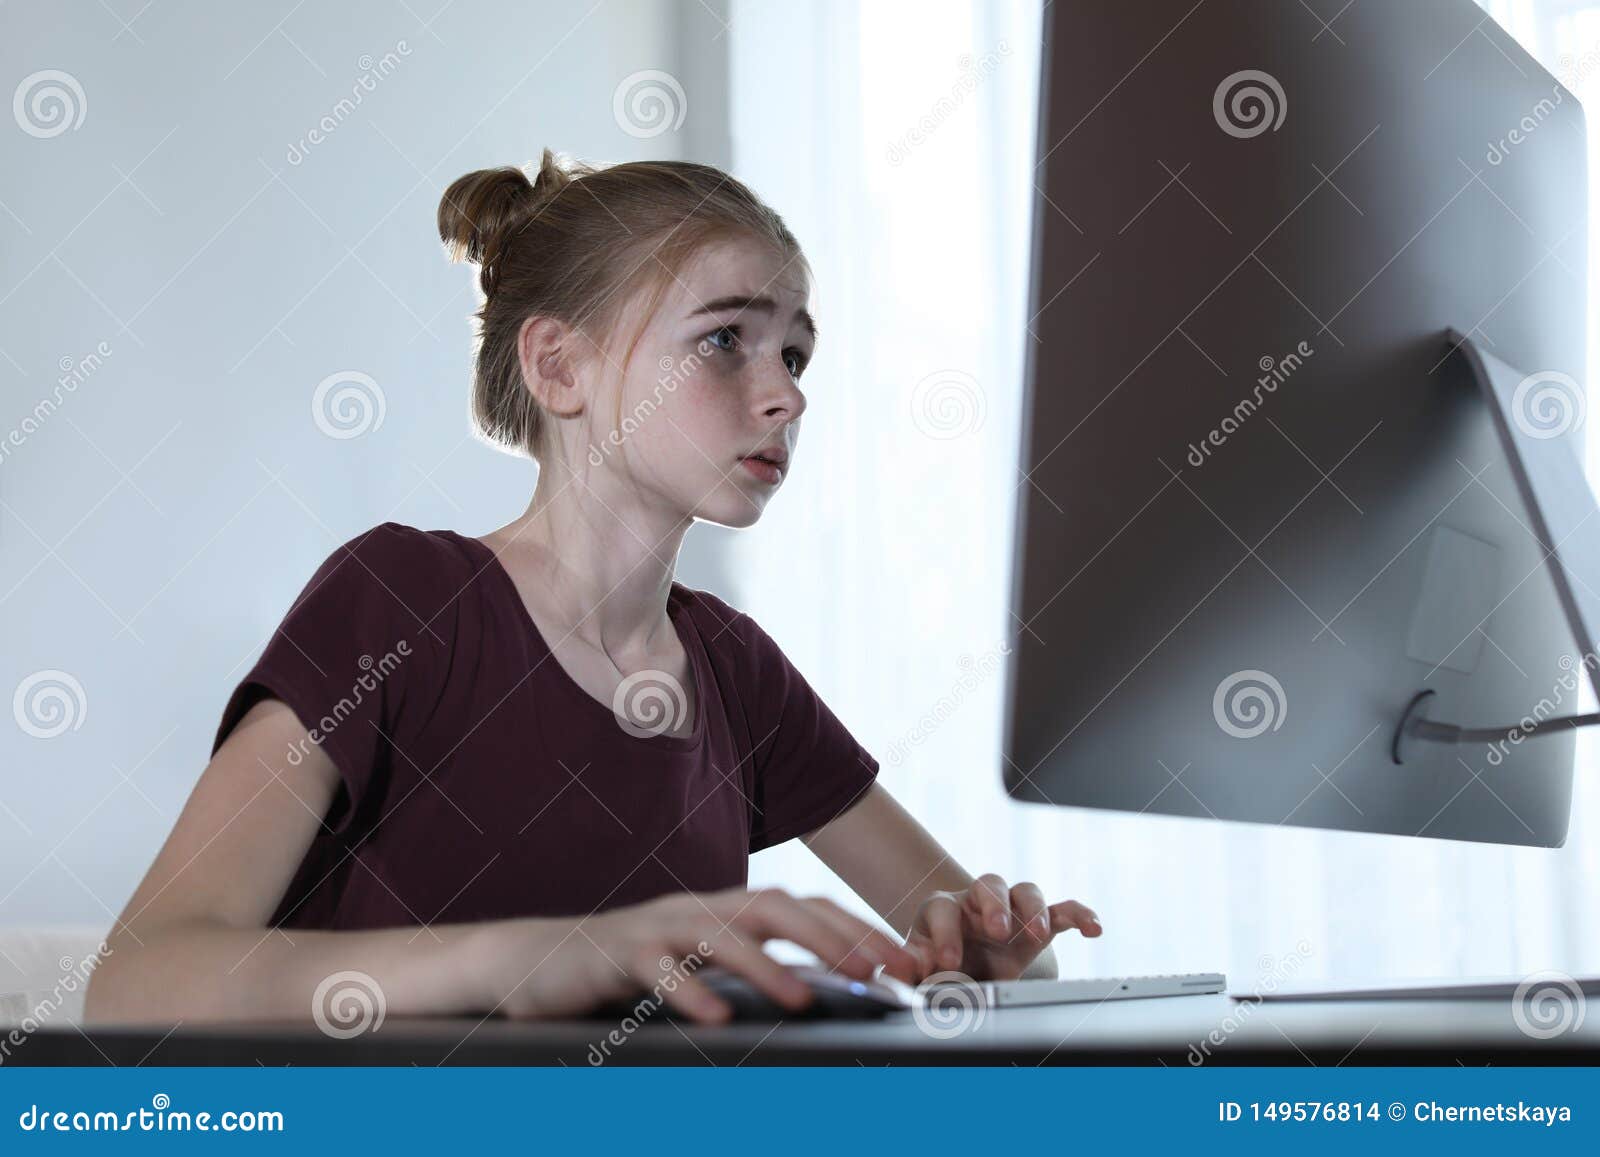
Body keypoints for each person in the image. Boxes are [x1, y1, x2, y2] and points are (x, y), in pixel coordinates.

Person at [85, 149, 1101, 1026]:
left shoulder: (736, 672)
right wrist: (530, 959)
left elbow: (998, 946)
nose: (787, 390)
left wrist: (999, 959)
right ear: (559, 365)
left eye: (795, 351)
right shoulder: (398, 599)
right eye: (724, 339)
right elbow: (133, 979)